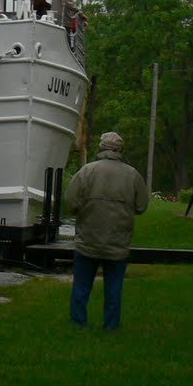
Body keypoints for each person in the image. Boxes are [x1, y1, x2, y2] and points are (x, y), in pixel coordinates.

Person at [64, 131, 150, 331]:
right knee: (114, 288)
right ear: (121, 150)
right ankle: (110, 326)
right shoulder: (133, 174)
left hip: (88, 237)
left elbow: (71, 202)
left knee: (81, 286)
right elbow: (141, 206)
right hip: (118, 240)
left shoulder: (87, 171)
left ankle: (78, 323)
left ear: (101, 148)